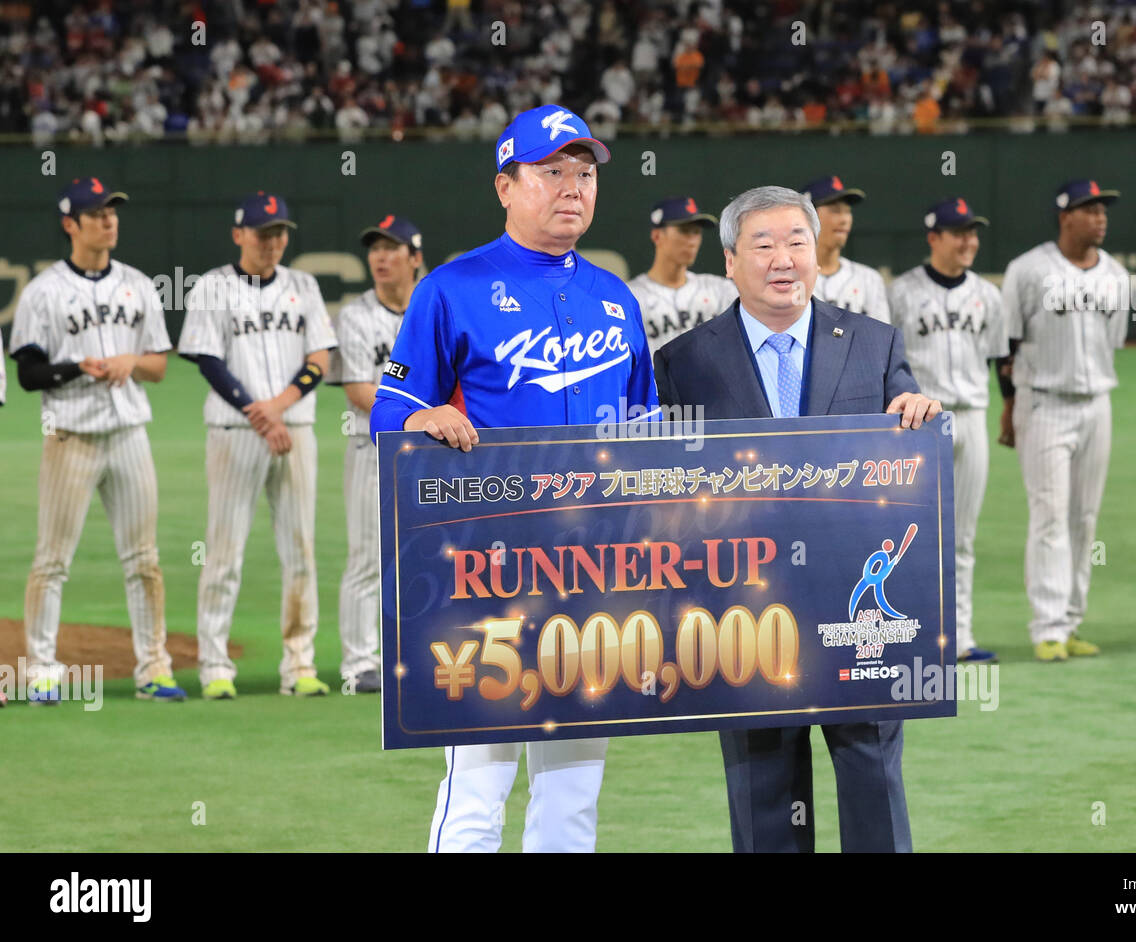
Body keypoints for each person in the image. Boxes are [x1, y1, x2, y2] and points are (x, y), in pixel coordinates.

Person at [369, 104, 659, 853]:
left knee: (572, 798)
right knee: (477, 793)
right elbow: (389, 413)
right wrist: (419, 420)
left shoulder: (616, 298)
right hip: (488, 577)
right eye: (552, 171)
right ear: (506, 186)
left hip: (595, 574)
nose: (573, 187)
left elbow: (645, 435)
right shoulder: (451, 288)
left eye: (585, 173)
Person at [653, 185, 940, 853]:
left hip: (855, 608)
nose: (783, 259)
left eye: (796, 242)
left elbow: (904, 426)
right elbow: (668, 494)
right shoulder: (685, 362)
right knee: (763, 790)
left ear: (817, 252)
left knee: (873, 776)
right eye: (763, 245)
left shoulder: (874, 342)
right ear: (729, 262)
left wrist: (918, 413)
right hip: (745, 614)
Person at [7, 177, 181, 704]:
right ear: (70, 225)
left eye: (112, 211)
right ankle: (41, 669)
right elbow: (29, 374)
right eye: (96, 213)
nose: (108, 220)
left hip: (129, 432)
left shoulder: (138, 284)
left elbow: (157, 365)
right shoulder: (43, 291)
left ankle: (154, 668)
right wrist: (73, 369)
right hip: (70, 436)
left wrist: (132, 362)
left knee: (144, 559)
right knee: (52, 560)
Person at [178, 192, 337, 699]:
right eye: (264, 232)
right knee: (223, 554)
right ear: (239, 234)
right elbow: (208, 360)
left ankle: (299, 665)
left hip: (296, 431)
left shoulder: (304, 285)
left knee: (301, 553)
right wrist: (259, 412)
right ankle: (215, 666)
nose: (273, 242)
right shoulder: (212, 287)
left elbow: (320, 356)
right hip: (234, 434)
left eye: (280, 232)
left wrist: (281, 405)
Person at [1000, 179, 1129, 662]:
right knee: (1050, 514)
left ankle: (1072, 621)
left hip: (1098, 404)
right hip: (1044, 404)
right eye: (1089, 209)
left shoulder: (1116, 274)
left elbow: (1111, 341)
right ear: (1064, 217)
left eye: (1103, 209)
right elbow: (1007, 344)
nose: (1100, 217)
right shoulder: (1028, 270)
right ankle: (1048, 626)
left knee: (1084, 517)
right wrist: (1010, 406)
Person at [888, 198, 1007, 663]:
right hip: (920, 421)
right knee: (908, 533)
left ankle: (958, 637)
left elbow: (998, 359)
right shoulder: (901, 293)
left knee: (963, 535)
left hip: (973, 415)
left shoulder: (988, 295)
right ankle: (910, 633)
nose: (968, 241)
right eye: (958, 232)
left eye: (972, 232)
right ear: (933, 238)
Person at [334, 214, 424, 692]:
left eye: (392, 248)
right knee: (369, 556)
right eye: (375, 249)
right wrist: (417, 416)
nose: (380, 257)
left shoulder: (435, 307)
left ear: (415, 257)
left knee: (428, 555)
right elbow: (355, 387)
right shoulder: (354, 316)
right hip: (370, 450)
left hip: (431, 453)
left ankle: (420, 653)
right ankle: (358, 663)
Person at [626, 196, 737, 354]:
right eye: (684, 231)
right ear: (657, 235)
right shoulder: (631, 296)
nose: (692, 241)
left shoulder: (720, 290)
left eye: (696, 232)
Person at [801, 175, 891, 323]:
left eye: (847, 211)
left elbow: (882, 343)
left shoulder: (869, 280)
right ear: (808, 217)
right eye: (835, 211)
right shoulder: (787, 280)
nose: (844, 219)